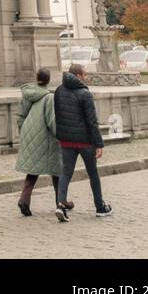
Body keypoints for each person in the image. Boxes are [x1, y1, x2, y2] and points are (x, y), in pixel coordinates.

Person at [53, 63, 112, 221]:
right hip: (85, 142)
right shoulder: (84, 93)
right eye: (84, 74)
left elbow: (57, 116)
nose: (86, 77)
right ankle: (100, 207)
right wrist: (99, 144)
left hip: (66, 141)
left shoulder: (58, 91)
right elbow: (92, 121)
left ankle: (60, 205)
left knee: (65, 173)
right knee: (93, 174)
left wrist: (60, 136)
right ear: (78, 76)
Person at [15, 68, 70, 216]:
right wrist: (62, 136)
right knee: (57, 169)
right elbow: (52, 121)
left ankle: (24, 200)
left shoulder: (27, 95)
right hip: (45, 137)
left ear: (36, 78)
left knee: (33, 171)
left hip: (29, 134)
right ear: (49, 80)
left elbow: (20, 116)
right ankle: (61, 202)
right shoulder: (49, 98)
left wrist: (24, 133)